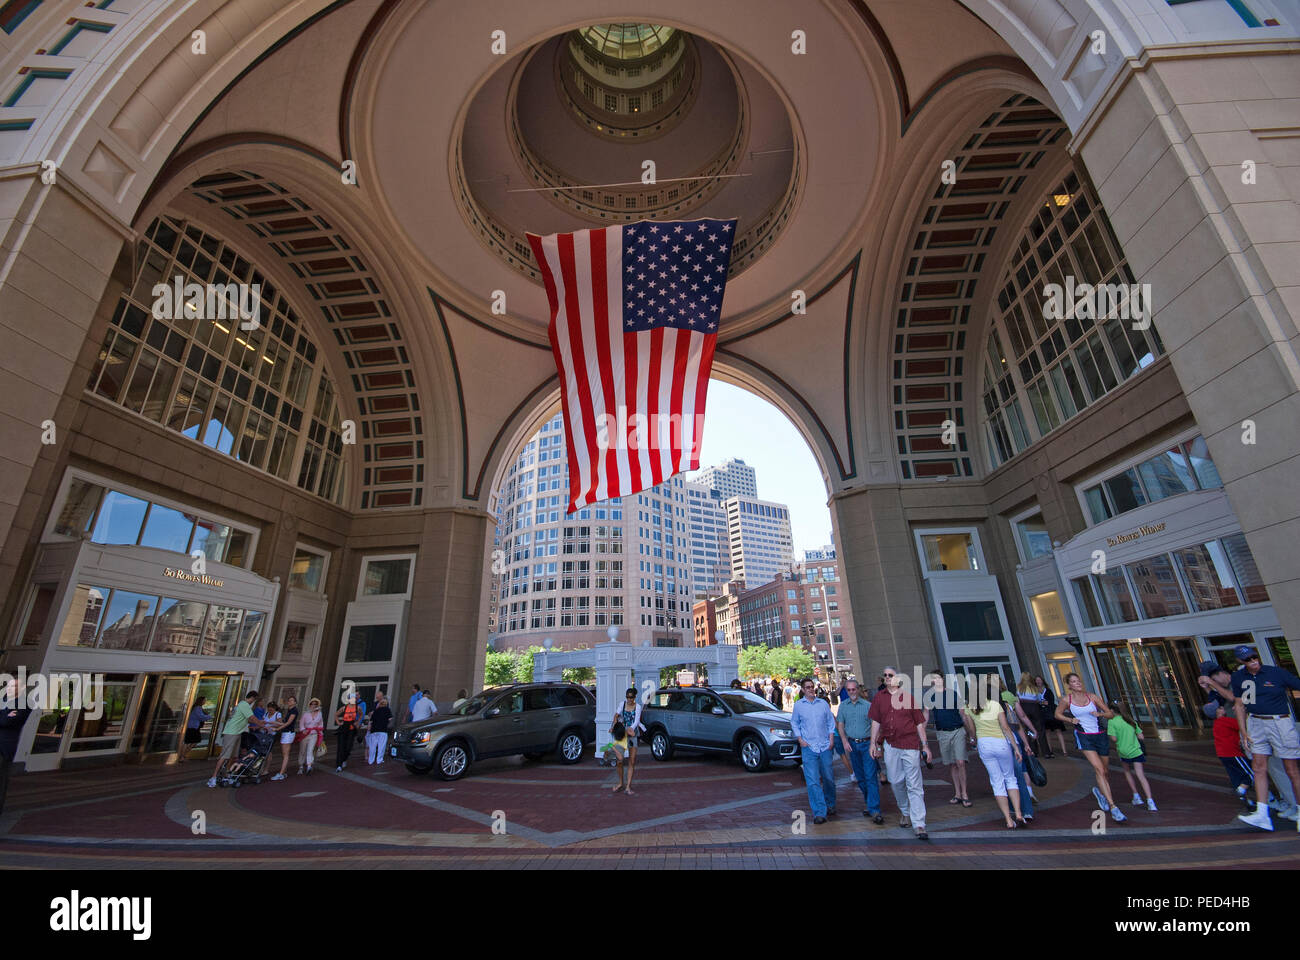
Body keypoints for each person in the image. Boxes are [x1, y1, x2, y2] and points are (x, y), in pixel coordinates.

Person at [1226, 645, 1300, 831]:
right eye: (1248, 659)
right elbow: (1239, 704)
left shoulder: (1275, 673)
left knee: (1291, 768)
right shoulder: (1238, 677)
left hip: (1279, 721)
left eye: (1254, 657)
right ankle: (1262, 813)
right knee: (1259, 767)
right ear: (1241, 661)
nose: (1253, 662)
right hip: (1256, 722)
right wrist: (1243, 731)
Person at [1054, 672, 1127, 822]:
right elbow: (1057, 714)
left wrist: (1099, 714)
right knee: (1099, 769)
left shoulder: (1092, 697)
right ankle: (1113, 807)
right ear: (1069, 685)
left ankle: (1101, 794)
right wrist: (1070, 719)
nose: (1078, 683)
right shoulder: (1066, 700)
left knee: (1105, 771)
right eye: (1074, 681)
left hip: (1099, 734)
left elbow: (1110, 714)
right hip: (1084, 735)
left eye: (1078, 680)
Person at [869, 666, 931, 839]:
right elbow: (875, 722)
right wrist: (873, 744)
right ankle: (905, 811)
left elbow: (919, 723)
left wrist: (925, 745)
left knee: (914, 784)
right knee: (895, 781)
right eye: (885, 675)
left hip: (910, 744)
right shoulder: (879, 698)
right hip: (890, 745)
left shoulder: (908, 698)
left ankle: (919, 823)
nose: (887, 677)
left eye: (891, 675)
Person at [963, 676, 1026, 828]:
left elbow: (971, 730)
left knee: (996, 782)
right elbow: (1005, 728)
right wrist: (1016, 747)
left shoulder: (970, 708)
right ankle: (1018, 814)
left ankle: (1007, 820)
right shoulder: (995, 705)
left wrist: (973, 740)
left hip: (984, 744)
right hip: (1000, 743)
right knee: (1010, 778)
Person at [791, 677, 837, 824]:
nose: (811, 689)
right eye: (808, 687)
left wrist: (831, 739)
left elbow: (830, 721)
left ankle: (830, 803)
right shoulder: (798, 706)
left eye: (812, 687)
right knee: (812, 781)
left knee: (829, 778)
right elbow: (795, 723)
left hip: (824, 746)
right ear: (803, 690)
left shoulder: (823, 704)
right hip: (809, 747)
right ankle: (819, 812)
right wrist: (800, 740)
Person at [836, 678, 883, 823]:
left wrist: (876, 745)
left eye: (853, 689)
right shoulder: (843, 706)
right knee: (860, 778)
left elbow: (876, 727)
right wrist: (844, 741)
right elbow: (840, 725)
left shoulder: (868, 706)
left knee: (871, 777)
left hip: (867, 744)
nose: (851, 692)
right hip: (852, 745)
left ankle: (875, 810)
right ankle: (870, 803)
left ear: (858, 690)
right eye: (848, 690)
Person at [927, 672, 970, 807]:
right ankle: (957, 793)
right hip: (943, 732)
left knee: (960, 762)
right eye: (934, 679)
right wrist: (921, 731)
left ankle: (964, 793)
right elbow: (925, 714)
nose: (936, 681)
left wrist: (970, 732)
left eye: (938, 678)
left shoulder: (952, 694)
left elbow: (963, 713)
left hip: (957, 730)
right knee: (952, 763)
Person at [208, 690, 266, 787]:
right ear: (252, 698)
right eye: (254, 700)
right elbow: (251, 718)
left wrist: (260, 724)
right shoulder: (244, 705)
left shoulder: (240, 705)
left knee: (233, 756)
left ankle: (227, 774)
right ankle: (213, 777)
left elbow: (247, 719)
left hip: (237, 732)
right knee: (225, 755)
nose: (253, 702)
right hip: (232, 732)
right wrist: (262, 725)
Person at [1106, 700, 1156, 811]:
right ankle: (1150, 801)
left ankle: (1136, 795)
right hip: (1136, 750)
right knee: (1141, 775)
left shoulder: (1112, 722)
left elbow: (1113, 738)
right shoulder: (1130, 720)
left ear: (1112, 710)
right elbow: (1141, 736)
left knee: (1127, 772)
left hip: (1123, 751)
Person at [1000, 684, 1039, 820]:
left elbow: (1016, 726)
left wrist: (1024, 744)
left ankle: (1022, 808)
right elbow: (1018, 725)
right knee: (1016, 775)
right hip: (1008, 743)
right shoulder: (1004, 705)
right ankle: (1021, 806)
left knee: (1012, 776)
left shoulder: (1002, 707)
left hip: (1007, 744)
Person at [0, 675, 32, 817]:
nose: (9, 688)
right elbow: (4, 719)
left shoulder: (24, 703)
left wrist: (4, 717)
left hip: (3, 749)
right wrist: (4, 716)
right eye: (9, 685)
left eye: (14, 686)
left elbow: (7, 723)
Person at [614, 687, 644, 794]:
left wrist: (629, 730)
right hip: (622, 734)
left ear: (635, 697)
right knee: (619, 761)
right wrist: (614, 726)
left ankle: (628, 786)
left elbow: (636, 722)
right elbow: (616, 716)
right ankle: (621, 782)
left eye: (631, 697)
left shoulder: (638, 707)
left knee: (632, 760)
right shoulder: (622, 704)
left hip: (632, 733)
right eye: (627, 697)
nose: (629, 699)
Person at [1017, 673, 1052, 759]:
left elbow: (1018, 697)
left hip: (1024, 707)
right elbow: (1039, 699)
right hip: (1034, 708)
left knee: (1029, 729)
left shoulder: (1019, 687)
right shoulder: (1033, 687)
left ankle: (1034, 751)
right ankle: (1046, 752)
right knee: (1040, 730)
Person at [1036, 675, 1069, 757]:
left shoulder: (1048, 690)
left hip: (1051, 712)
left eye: (1039, 680)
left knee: (1058, 730)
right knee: (1047, 732)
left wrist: (1043, 703)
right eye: (1036, 680)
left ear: (1042, 681)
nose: (1038, 682)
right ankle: (1050, 750)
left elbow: (1050, 701)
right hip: (1043, 713)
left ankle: (1064, 751)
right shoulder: (1035, 691)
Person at [296, 697, 325, 775]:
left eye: (315, 704)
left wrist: (320, 731)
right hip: (305, 734)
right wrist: (303, 730)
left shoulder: (319, 714)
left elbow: (321, 724)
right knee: (302, 750)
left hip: (314, 734)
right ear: (310, 705)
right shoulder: (306, 714)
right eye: (312, 704)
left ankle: (309, 765)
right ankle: (301, 766)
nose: (313, 705)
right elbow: (301, 723)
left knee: (310, 750)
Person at [273, 695, 299, 780]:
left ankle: (281, 773)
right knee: (284, 753)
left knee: (285, 754)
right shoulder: (289, 710)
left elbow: (288, 723)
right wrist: (272, 723)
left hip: (288, 733)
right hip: (285, 732)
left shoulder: (294, 711)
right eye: (289, 701)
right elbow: (284, 722)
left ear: (295, 702)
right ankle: (283, 772)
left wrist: (277, 729)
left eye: (292, 701)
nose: (290, 702)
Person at [334, 693, 360, 771]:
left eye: (354, 699)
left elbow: (361, 715)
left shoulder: (357, 708)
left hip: (351, 728)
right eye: (351, 699)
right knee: (341, 746)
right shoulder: (344, 708)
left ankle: (344, 759)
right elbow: (336, 714)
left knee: (349, 746)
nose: (353, 700)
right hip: (343, 727)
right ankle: (339, 764)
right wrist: (338, 722)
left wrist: (357, 722)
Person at [605, 721, 631, 793]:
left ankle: (620, 783)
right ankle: (608, 751)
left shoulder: (625, 730)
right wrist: (612, 729)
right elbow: (611, 729)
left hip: (619, 747)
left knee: (619, 761)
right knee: (618, 759)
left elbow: (632, 733)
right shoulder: (618, 729)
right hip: (616, 746)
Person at [179, 696, 207, 762]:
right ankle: (182, 756)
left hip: (193, 726)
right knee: (190, 741)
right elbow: (200, 717)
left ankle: (183, 755)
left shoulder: (197, 707)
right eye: (204, 700)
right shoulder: (197, 708)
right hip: (193, 727)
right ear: (201, 701)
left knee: (192, 741)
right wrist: (209, 716)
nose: (205, 701)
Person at [366, 695, 392, 764]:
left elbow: (371, 721)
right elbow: (390, 719)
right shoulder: (387, 710)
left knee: (372, 747)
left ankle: (370, 760)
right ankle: (379, 760)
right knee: (381, 746)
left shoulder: (375, 711)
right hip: (383, 730)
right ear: (386, 704)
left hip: (374, 731)